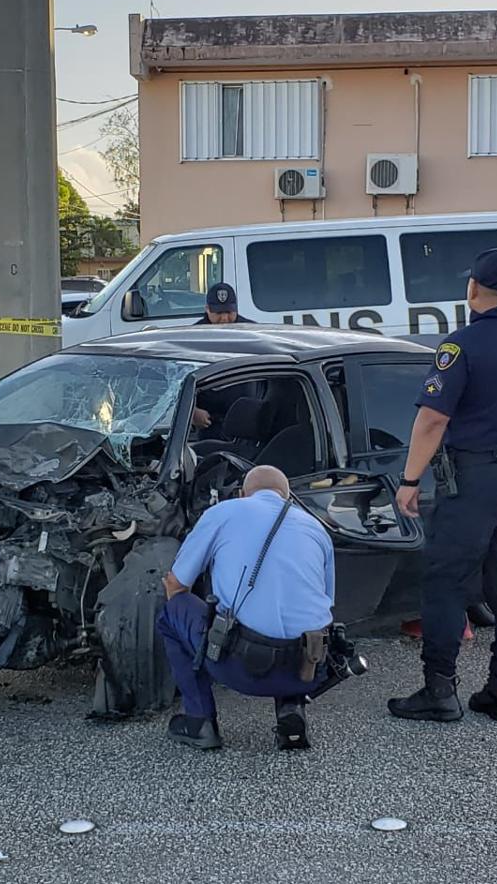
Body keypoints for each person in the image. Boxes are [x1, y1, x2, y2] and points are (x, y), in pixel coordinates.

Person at [387, 247, 497, 725]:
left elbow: (431, 421)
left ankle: (440, 691)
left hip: (476, 478)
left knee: (447, 580)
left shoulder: (460, 346)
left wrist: (409, 480)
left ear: (472, 290)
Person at [156, 465, 334, 751]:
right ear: (288, 499)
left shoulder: (223, 513)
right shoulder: (316, 528)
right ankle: (291, 712)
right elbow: (324, 604)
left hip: (241, 668)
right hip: (307, 671)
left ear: (242, 494)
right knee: (297, 615)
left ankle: (199, 721)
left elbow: (176, 586)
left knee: (174, 609)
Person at [191, 282, 257, 433]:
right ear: (207, 309)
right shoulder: (193, 337)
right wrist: (193, 411)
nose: (224, 318)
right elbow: (181, 379)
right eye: (219, 313)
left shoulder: (252, 334)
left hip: (249, 422)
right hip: (210, 423)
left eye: (229, 312)